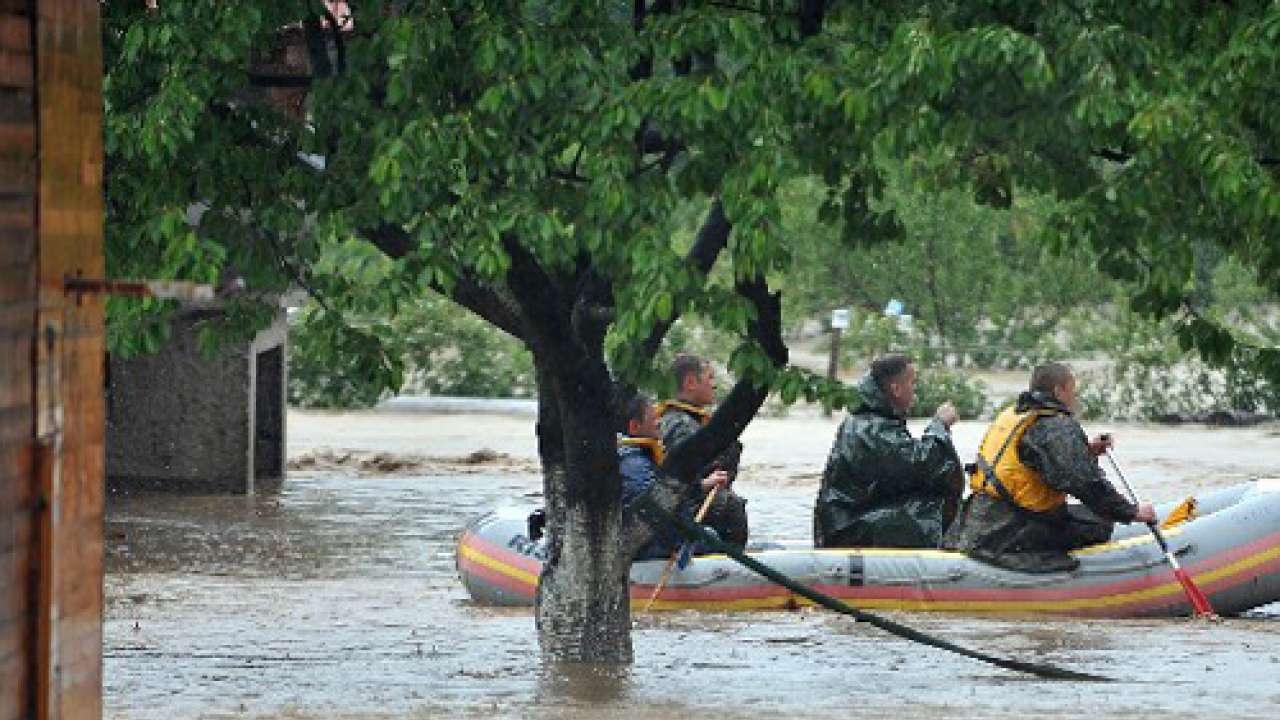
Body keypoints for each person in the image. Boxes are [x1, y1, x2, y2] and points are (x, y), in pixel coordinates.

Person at [942, 362, 1156, 573]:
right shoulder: (1055, 425)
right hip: (1010, 532)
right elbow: (1083, 482)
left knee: (1085, 515)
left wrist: (1087, 451)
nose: (1076, 398)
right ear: (1059, 391)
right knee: (1098, 524)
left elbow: (1041, 462)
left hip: (979, 522)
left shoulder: (1018, 414)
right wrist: (1131, 512)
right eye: (1074, 392)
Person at [813, 354, 964, 548]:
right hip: (848, 528)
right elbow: (922, 465)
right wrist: (939, 426)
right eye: (912, 383)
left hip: (847, 521)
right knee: (930, 509)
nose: (915, 390)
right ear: (896, 389)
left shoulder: (871, 421)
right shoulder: (871, 428)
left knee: (926, 499)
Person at [619, 393, 729, 561]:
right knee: (711, 537)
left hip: (658, 544)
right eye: (654, 418)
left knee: (710, 534)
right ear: (634, 427)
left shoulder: (638, 458)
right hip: (652, 552)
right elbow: (653, 510)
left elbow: (664, 492)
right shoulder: (633, 464)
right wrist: (680, 544)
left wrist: (702, 486)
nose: (660, 422)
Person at [657, 354, 749, 550]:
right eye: (710, 378)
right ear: (691, 382)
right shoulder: (679, 425)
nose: (714, 385)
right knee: (730, 506)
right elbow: (681, 477)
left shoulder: (690, 421)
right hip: (686, 512)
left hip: (694, 505)